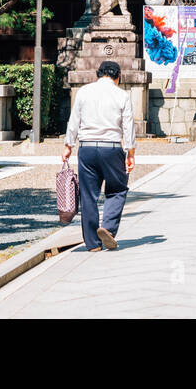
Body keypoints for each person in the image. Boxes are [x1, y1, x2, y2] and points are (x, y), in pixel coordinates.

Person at [62, 59, 136, 251]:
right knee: (117, 189)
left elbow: (74, 120)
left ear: (99, 74)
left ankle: (93, 244)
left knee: (88, 195)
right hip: (111, 148)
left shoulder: (84, 92)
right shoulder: (122, 95)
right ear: (117, 77)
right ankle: (108, 229)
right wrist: (131, 152)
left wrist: (68, 145)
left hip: (86, 148)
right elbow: (128, 126)